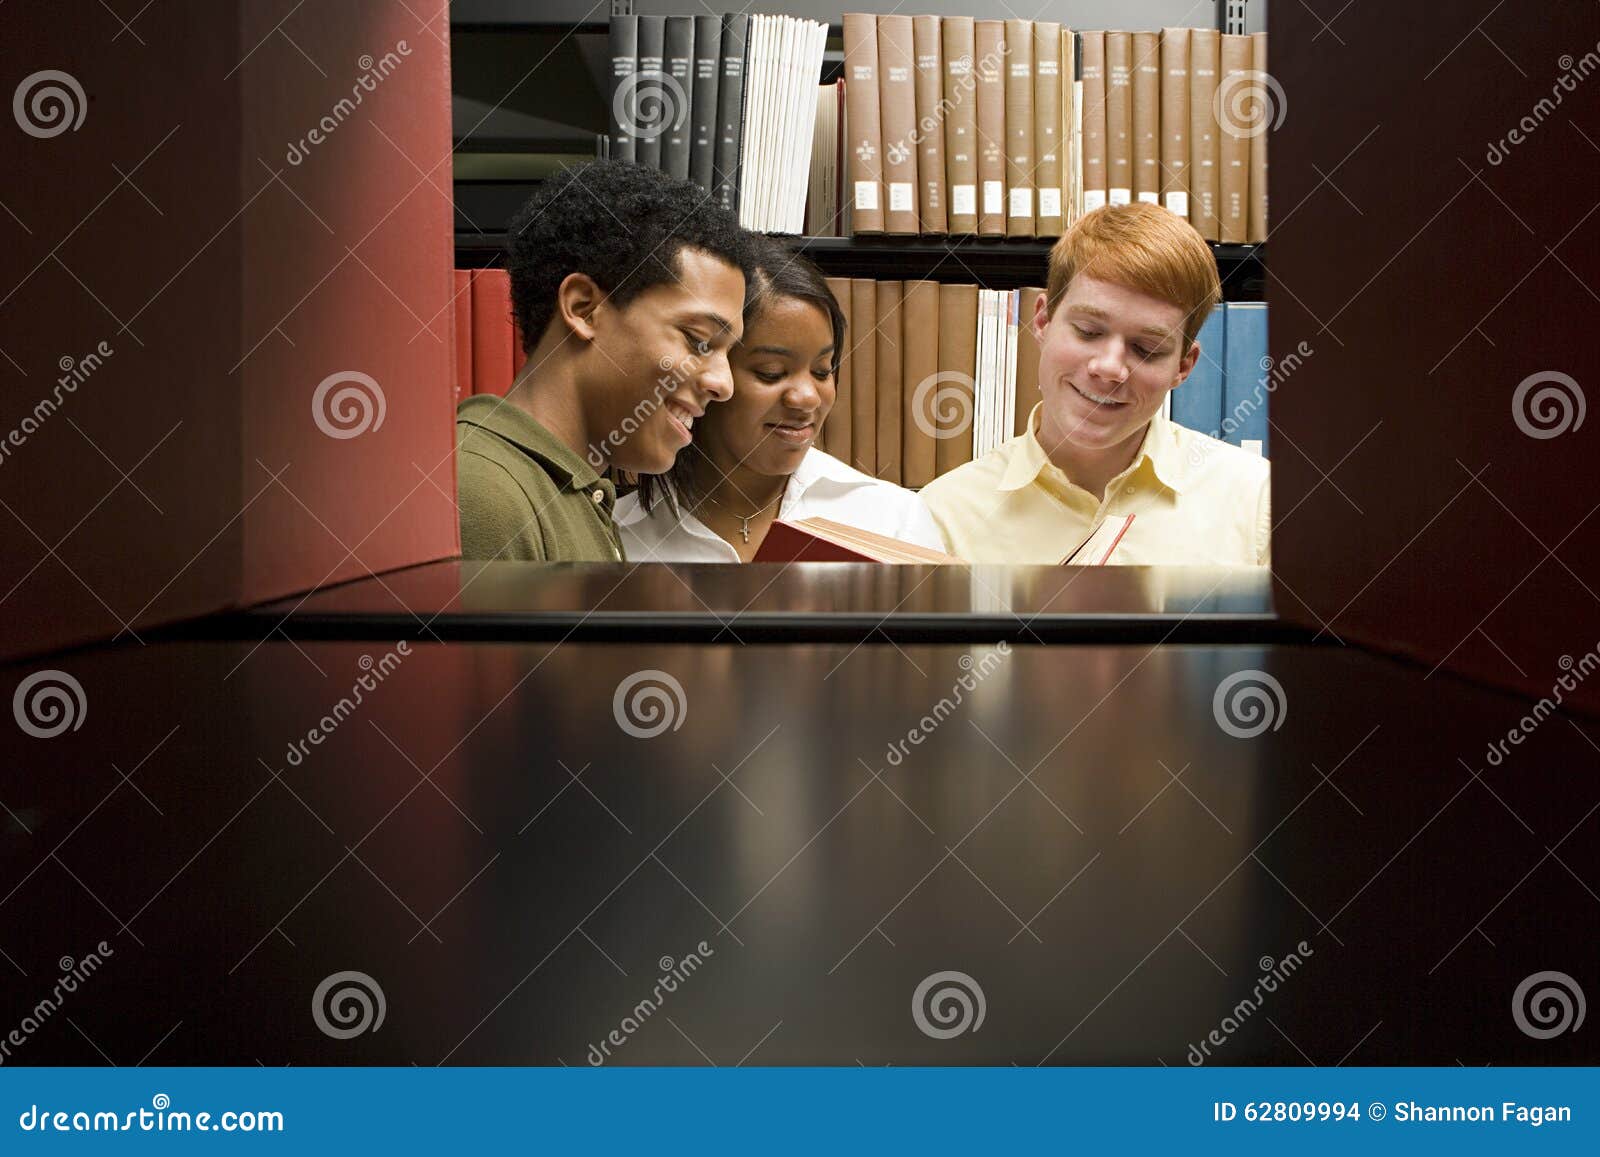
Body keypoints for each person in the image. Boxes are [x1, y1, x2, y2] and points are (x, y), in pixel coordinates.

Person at [920, 202, 1270, 566]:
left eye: (1146, 349)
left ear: (1183, 367)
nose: (1109, 368)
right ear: (1042, 321)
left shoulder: (1259, 504)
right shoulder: (941, 517)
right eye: (1089, 332)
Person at [456, 159, 752, 561]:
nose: (724, 384)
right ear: (583, 308)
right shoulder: (485, 496)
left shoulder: (575, 493)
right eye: (698, 340)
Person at [617, 239, 945, 562]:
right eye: (771, 373)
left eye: (822, 371)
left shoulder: (894, 519)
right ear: (712, 376)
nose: (806, 398)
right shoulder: (616, 535)